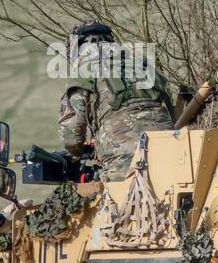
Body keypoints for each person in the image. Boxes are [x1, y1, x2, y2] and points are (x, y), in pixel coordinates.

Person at [58, 21, 173, 181]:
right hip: (170, 151)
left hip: (123, 162)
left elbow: (71, 136)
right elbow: (175, 114)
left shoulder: (84, 71)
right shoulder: (143, 65)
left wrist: (83, 151)